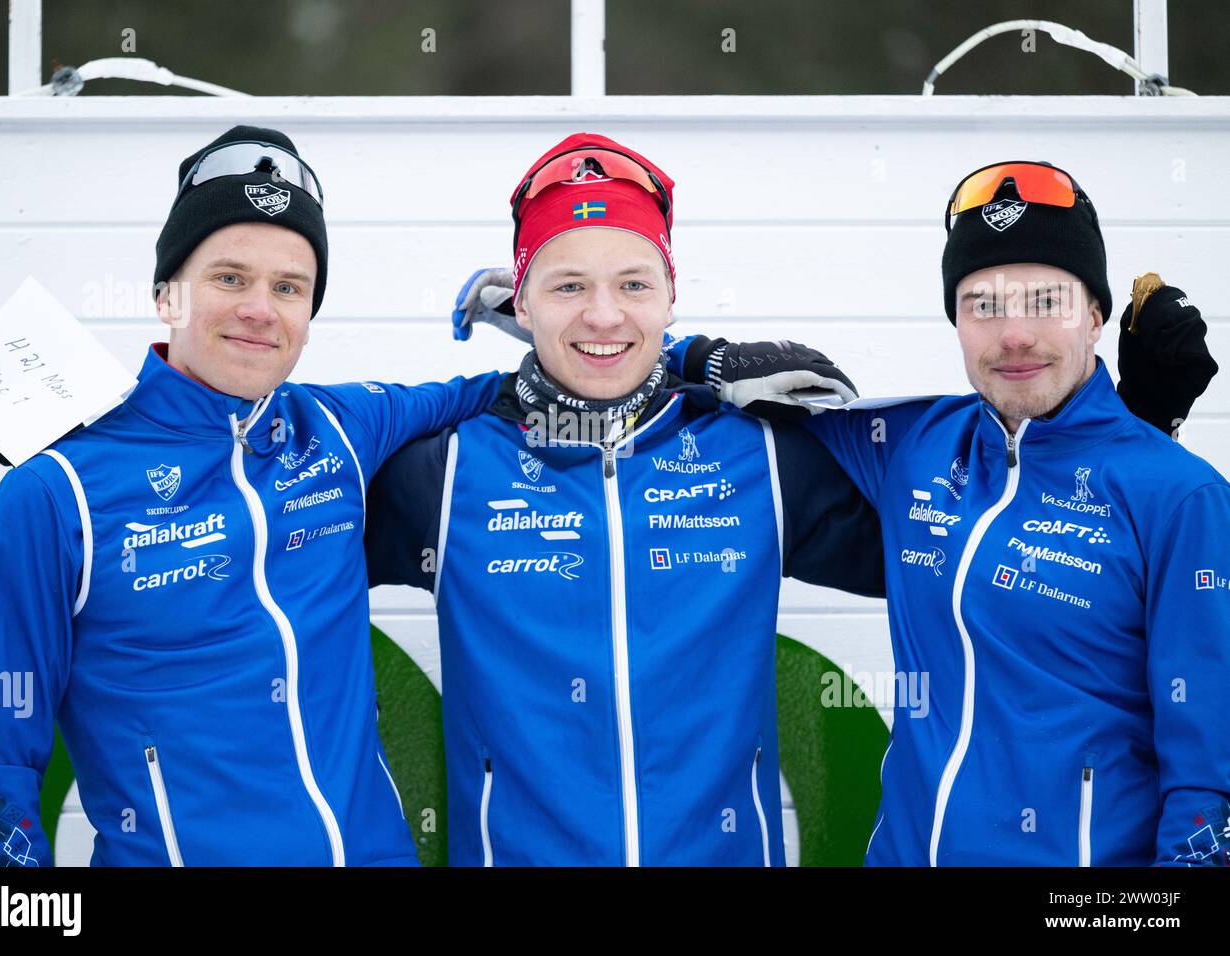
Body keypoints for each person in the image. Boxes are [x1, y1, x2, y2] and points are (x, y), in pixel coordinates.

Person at [455, 160, 1227, 866]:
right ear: (954, 319)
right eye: (982, 303)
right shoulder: (916, 445)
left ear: (1096, 313)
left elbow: (1211, 787)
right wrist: (596, 327)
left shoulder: (1181, 499)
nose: (1015, 333)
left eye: (1046, 301)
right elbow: (783, 388)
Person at [0, 126, 501, 867]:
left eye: (289, 288)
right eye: (230, 278)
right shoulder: (51, 494)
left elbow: (501, 393)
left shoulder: (337, 425)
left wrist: (584, 320)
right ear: (168, 292)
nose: (261, 310)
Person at [363, 132, 884, 866]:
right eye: (567, 286)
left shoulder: (761, 458)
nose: (604, 316)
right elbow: (268, 560)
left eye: (634, 285)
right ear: (523, 302)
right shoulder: (443, 472)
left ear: (671, 299)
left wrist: (694, 363)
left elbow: (952, 552)